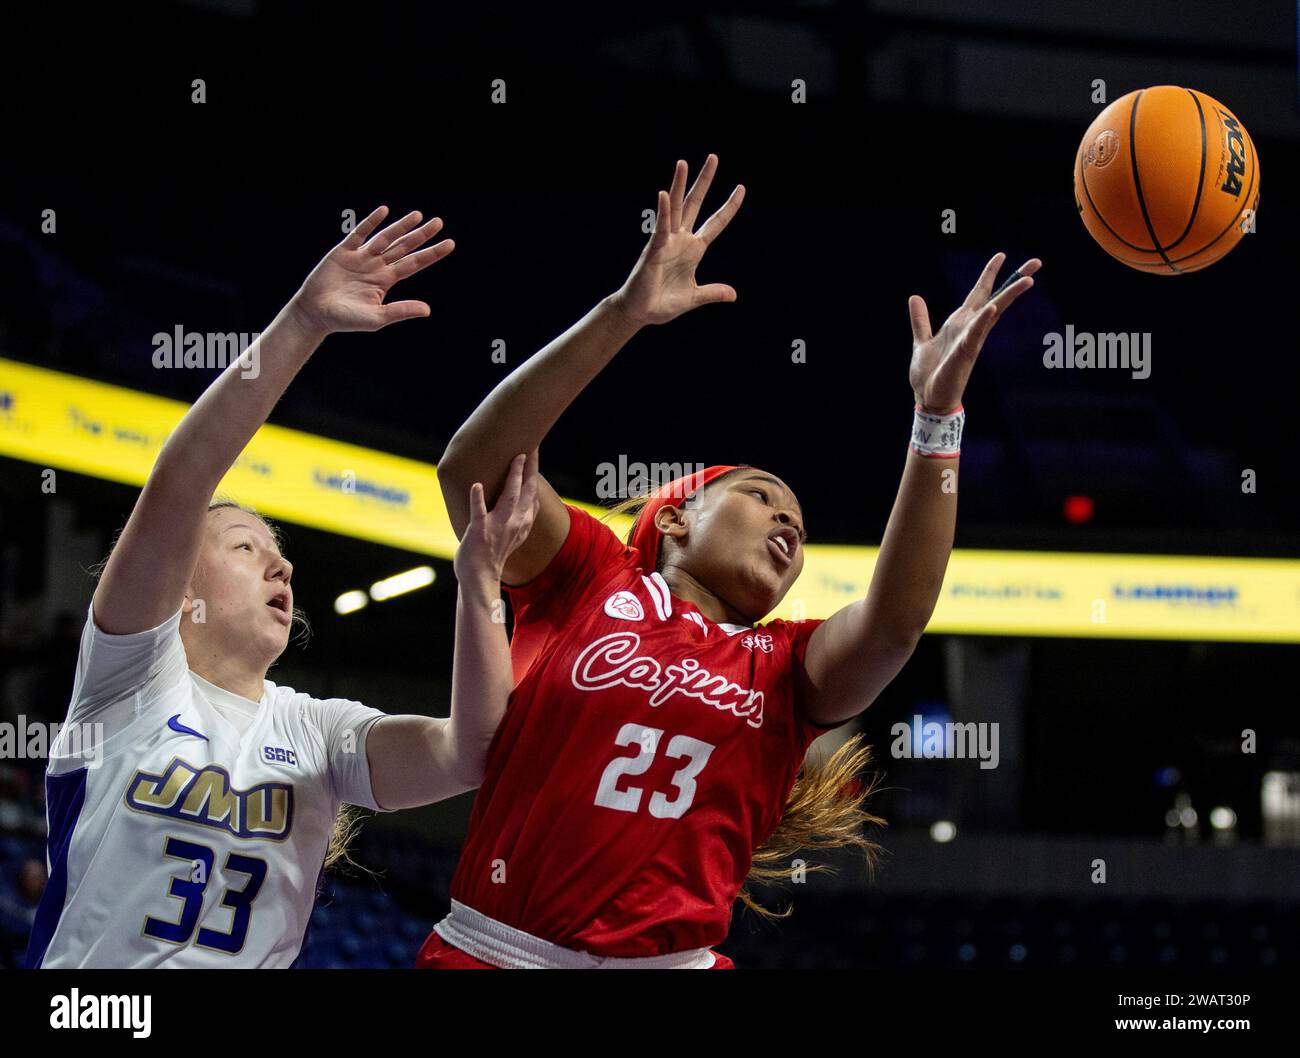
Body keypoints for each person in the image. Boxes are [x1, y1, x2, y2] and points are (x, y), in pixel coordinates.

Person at [423, 155, 1040, 968]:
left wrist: (936, 419)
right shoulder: (589, 577)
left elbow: (896, 622)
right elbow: (474, 468)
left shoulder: (784, 667)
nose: (788, 520)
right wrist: (624, 313)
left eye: (799, 522)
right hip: (499, 950)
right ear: (674, 515)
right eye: (762, 496)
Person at [27, 208, 540, 967]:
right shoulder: (130, 678)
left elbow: (470, 752)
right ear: (183, 587)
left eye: (279, 553)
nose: (283, 567)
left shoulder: (317, 731)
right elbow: (183, 476)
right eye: (245, 546)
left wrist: (480, 585)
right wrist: (302, 321)